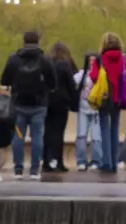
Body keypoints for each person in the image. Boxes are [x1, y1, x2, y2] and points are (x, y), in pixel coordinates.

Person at [0, 29, 56, 179]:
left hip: (18, 103)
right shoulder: (45, 60)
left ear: (24, 41)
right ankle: (34, 170)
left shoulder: (14, 59)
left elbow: (4, 80)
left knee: (18, 137)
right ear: (38, 41)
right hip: (39, 105)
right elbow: (53, 83)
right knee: (37, 137)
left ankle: (18, 170)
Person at [92, 32, 126, 173]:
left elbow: (93, 76)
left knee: (104, 129)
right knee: (115, 129)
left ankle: (106, 163)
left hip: (104, 97)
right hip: (119, 98)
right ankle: (115, 163)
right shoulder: (122, 59)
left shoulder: (101, 59)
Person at [42, 42, 77, 174]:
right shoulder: (66, 64)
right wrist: (75, 103)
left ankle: (46, 161)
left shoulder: (46, 62)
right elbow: (72, 85)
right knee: (58, 132)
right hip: (62, 102)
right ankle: (58, 161)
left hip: (47, 101)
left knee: (47, 131)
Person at [74, 52, 102, 171]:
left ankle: (96, 160)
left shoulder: (101, 74)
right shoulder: (81, 74)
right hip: (83, 108)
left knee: (96, 136)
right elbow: (73, 82)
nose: (92, 63)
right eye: (90, 60)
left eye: (94, 60)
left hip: (96, 109)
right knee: (81, 134)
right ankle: (81, 160)